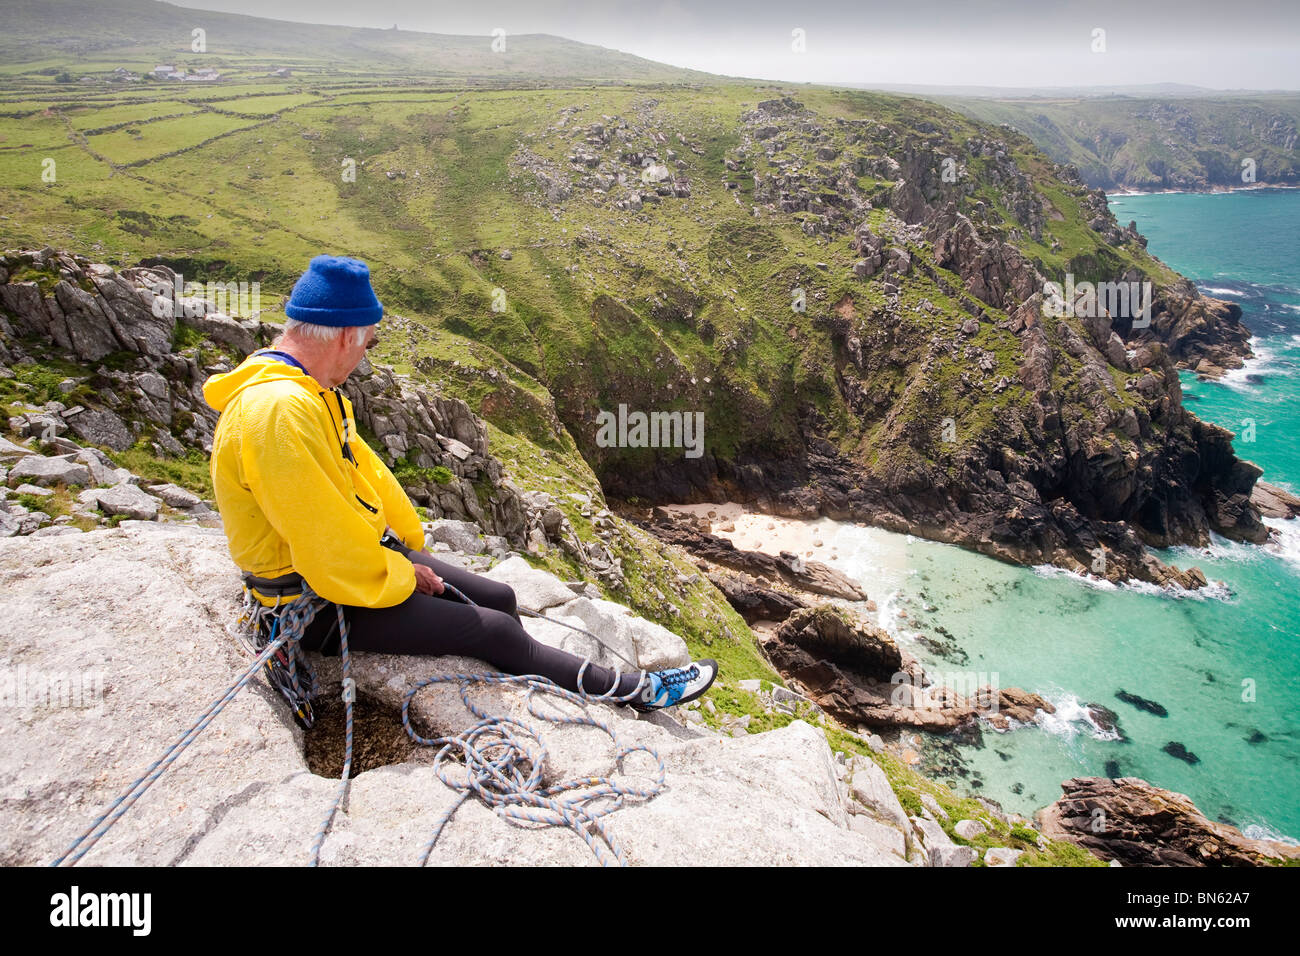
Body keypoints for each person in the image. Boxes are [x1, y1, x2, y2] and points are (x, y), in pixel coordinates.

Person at [202, 254, 717, 712]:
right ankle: (634, 691)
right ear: (345, 336)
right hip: (313, 600)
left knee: (500, 597)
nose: (367, 356)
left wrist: (405, 550)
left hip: (351, 564)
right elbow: (326, 546)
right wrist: (403, 575)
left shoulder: (305, 389)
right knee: (492, 630)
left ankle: (547, 667)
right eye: (370, 342)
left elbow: (359, 477)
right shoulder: (277, 412)